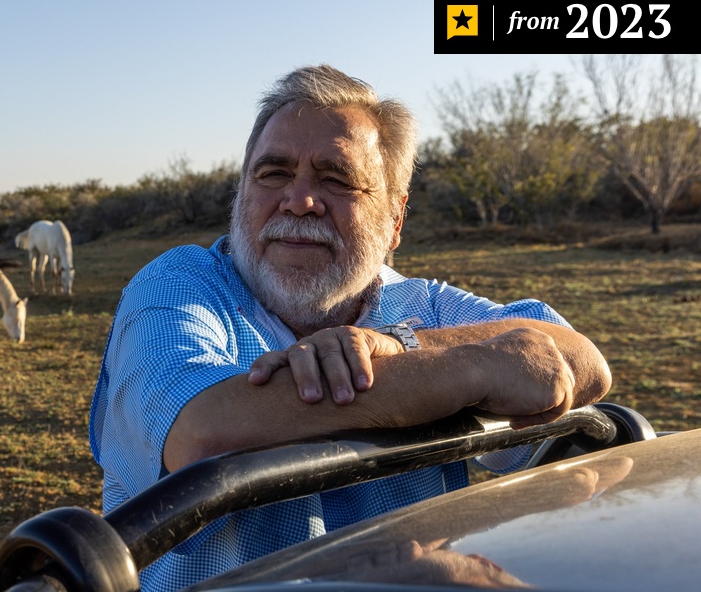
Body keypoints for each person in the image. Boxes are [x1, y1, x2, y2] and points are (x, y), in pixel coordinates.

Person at [88, 64, 612, 591]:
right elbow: (201, 433)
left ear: (396, 219)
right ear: (241, 192)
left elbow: (580, 360)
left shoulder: (419, 303)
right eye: (272, 173)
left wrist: (404, 347)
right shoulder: (177, 285)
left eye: (336, 179)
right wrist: (467, 365)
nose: (298, 201)